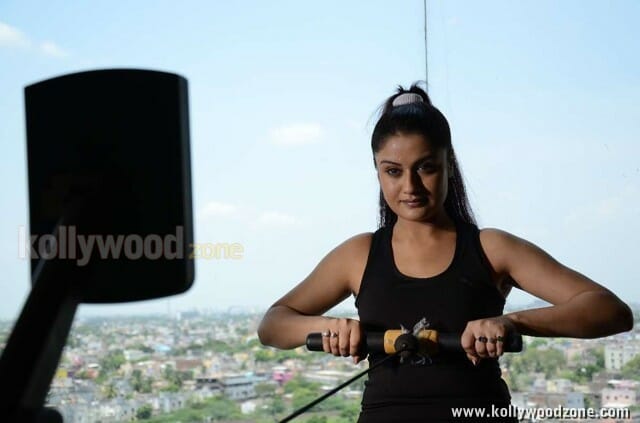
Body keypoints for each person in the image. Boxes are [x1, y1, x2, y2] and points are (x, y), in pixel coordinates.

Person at [257, 83, 633, 422]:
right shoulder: (359, 254)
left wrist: (512, 323)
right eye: (393, 171)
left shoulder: (491, 248)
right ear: (377, 171)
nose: (410, 186)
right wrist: (326, 328)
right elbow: (273, 325)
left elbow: (611, 311)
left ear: (449, 165)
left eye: (426, 168)